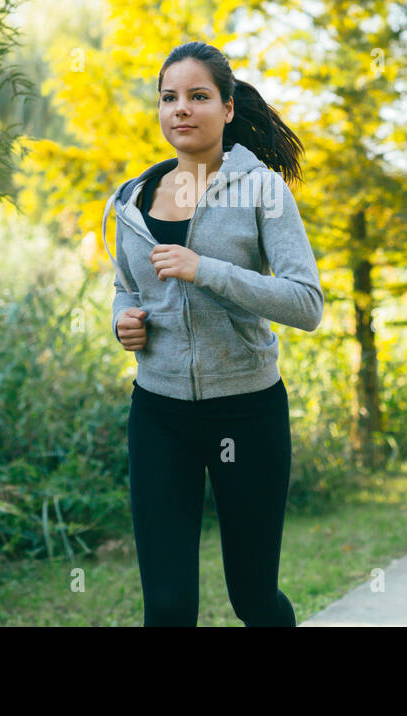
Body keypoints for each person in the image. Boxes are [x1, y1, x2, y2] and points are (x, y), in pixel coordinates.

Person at [100, 40, 324, 626]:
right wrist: (124, 322)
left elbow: (306, 302)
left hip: (247, 414)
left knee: (253, 598)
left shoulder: (264, 192)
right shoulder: (131, 201)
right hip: (160, 414)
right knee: (168, 607)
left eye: (198, 96)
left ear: (227, 108)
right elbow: (127, 287)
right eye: (169, 97)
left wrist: (209, 270)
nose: (181, 109)